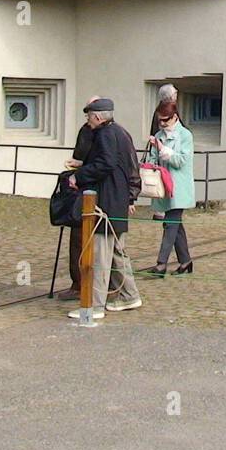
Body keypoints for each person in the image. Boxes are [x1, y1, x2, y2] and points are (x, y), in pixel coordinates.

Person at [66, 98, 143, 314]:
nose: (87, 121)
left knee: (100, 254)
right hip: (118, 201)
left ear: (98, 117)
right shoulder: (120, 132)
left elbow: (106, 164)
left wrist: (79, 176)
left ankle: (94, 306)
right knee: (117, 252)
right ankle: (130, 296)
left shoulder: (105, 134)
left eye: (89, 116)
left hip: (106, 202)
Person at [57, 96, 104, 301]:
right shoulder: (85, 131)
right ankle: (77, 283)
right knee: (77, 237)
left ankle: (101, 284)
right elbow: (81, 155)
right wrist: (76, 164)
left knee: (102, 240)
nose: (88, 116)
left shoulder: (107, 134)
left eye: (91, 112)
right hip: (81, 191)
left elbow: (104, 163)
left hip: (100, 191)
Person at [140, 110, 196, 276]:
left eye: (166, 120)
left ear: (175, 117)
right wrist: (151, 160)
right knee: (176, 225)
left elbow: (181, 161)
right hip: (163, 186)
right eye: (160, 121)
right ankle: (185, 261)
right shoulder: (158, 134)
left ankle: (161, 264)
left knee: (170, 223)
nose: (163, 124)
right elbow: (152, 159)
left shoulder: (185, 136)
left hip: (179, 187)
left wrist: (162, 148)